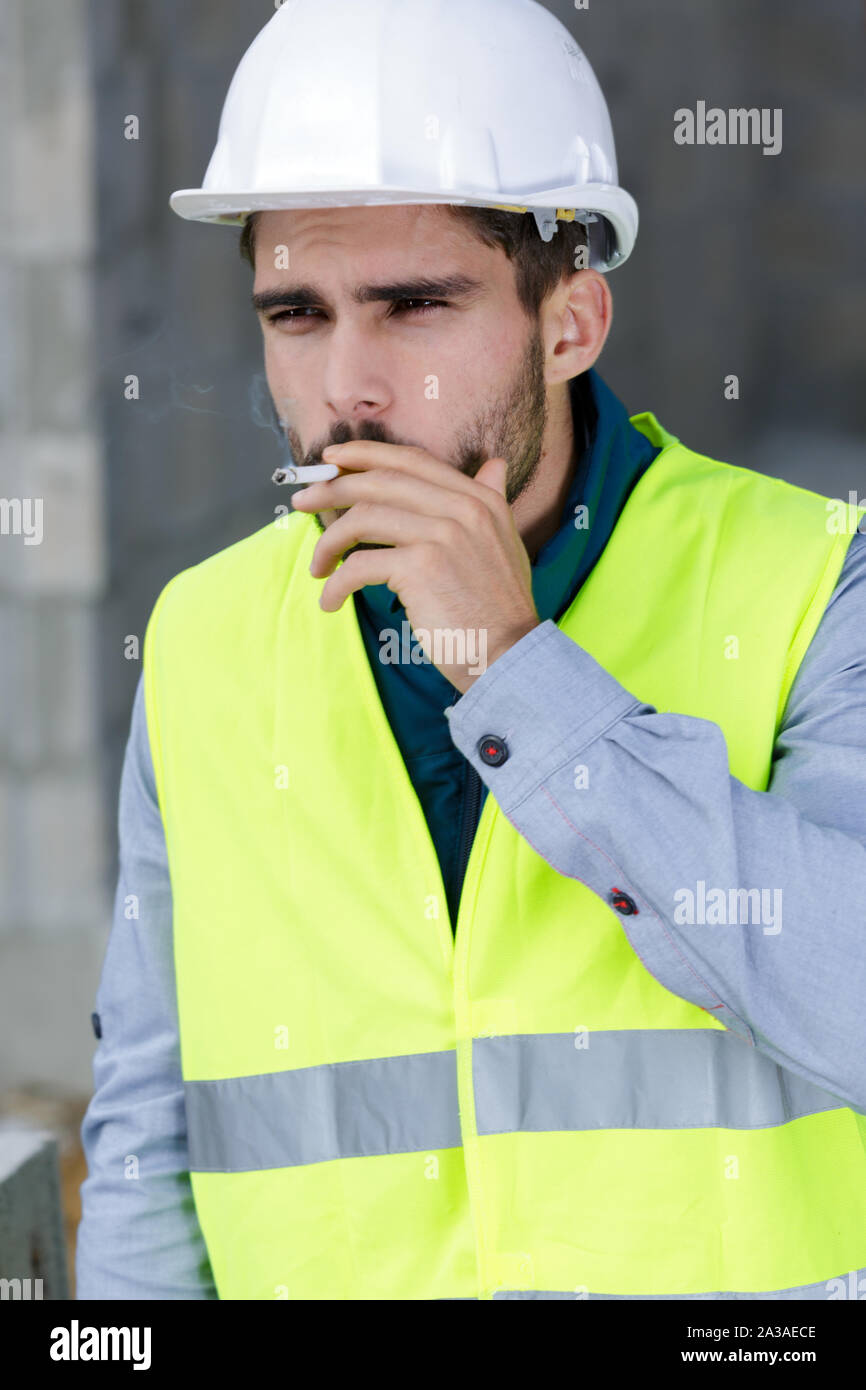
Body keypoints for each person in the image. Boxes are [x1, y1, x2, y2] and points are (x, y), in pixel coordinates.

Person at [76, 0, 866, 1300]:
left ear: (570, 321)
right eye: (296, 315)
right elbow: (148, 1134)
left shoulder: (807, 580)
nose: (348, 387)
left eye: (414, 306)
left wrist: (515, 671)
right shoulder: (203, 635)